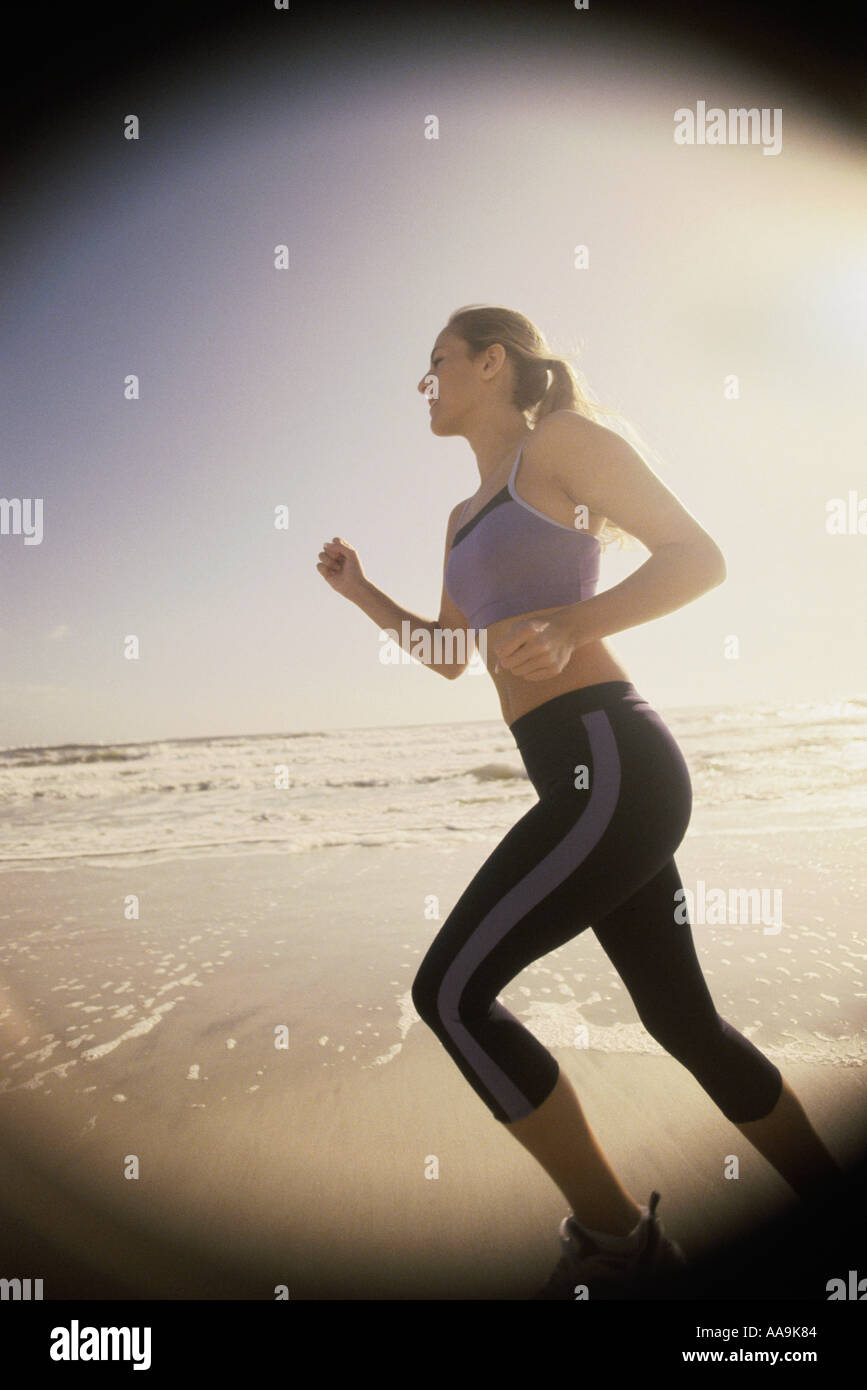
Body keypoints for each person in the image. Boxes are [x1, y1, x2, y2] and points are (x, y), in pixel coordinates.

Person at [316, 304, 842, 1297]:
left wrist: (570, 621)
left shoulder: (560, 444)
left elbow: (697, 556)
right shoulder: (461, 517)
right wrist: (361, 592)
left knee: (451, 993)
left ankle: (615, 1241)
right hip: (579, 779)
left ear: (491, 360)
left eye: (435, 362)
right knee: (686, 1026)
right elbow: (446, 657)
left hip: (616, 760)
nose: (422, 383)